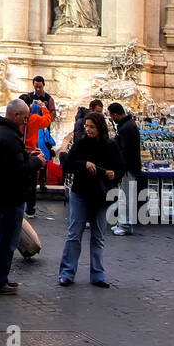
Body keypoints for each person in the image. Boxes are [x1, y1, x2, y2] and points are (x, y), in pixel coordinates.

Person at [58, 111, 122, 287]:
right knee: (74, 234)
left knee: (98, 235)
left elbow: (119, 168)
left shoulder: (110, 146)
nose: (88, 129)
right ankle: (67, 273)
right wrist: (83, 164)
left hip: (100, 195)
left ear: (100, 127)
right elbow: (68, 164)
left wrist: (113, 174)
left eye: (91, 126)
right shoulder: (81, 144)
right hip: (80, 193)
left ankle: (98, 274)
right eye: (86, 126)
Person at [0, 98, 39, 295]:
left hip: (1, 192)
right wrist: (36, 162)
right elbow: (18, 170)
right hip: (10, 195)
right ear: (15, 116)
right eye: (24, 118)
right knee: (7, 241)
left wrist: (26, 156)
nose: (25, 123)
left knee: (4, 238)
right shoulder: (9, 137)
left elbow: (10, 163)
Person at [109, 103, 141, 235]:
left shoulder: (126, 128)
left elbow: (126, 151)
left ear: (116, 114)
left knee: (126, 197)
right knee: (124, 196)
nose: (111, 118)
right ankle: (122, 223)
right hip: (128, 167)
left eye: (111, 115)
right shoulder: (128, 126)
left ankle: (125, 225)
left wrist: (120, 167)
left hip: (127, 168)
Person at [23, 100, 54, 218]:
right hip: (31, 153)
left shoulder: (15, 120)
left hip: (18, 151)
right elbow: (47, 119)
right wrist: (43, 106)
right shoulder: (34, 118)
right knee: (31, 183)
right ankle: (30, 209)